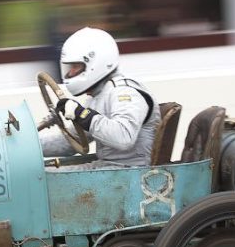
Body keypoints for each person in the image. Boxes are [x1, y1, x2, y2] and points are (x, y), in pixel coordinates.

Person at [40, 26, 159, 167]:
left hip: (129, 173)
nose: (70, 73)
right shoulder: (98, 95)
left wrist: (84, 116)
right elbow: (73, 141)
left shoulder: (124, 92)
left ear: (95, 63)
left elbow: (124, 137)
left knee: (42, 181)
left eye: (76, 66)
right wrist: (30, 147)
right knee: (39, 175)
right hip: (110, 169)